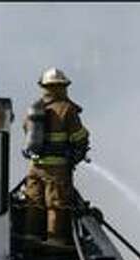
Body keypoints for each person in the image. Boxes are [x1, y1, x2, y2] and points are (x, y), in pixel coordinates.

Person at [21, 67, 90, 244]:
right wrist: (82, 145)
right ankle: (56, 241)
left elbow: (26, 131)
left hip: (35, 167)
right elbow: (78, 136)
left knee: (33, 203)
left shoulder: (34, 109)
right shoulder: (67, 110)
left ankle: (31, 238)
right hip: (57, 169)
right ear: (62, 87)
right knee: (56, 205)